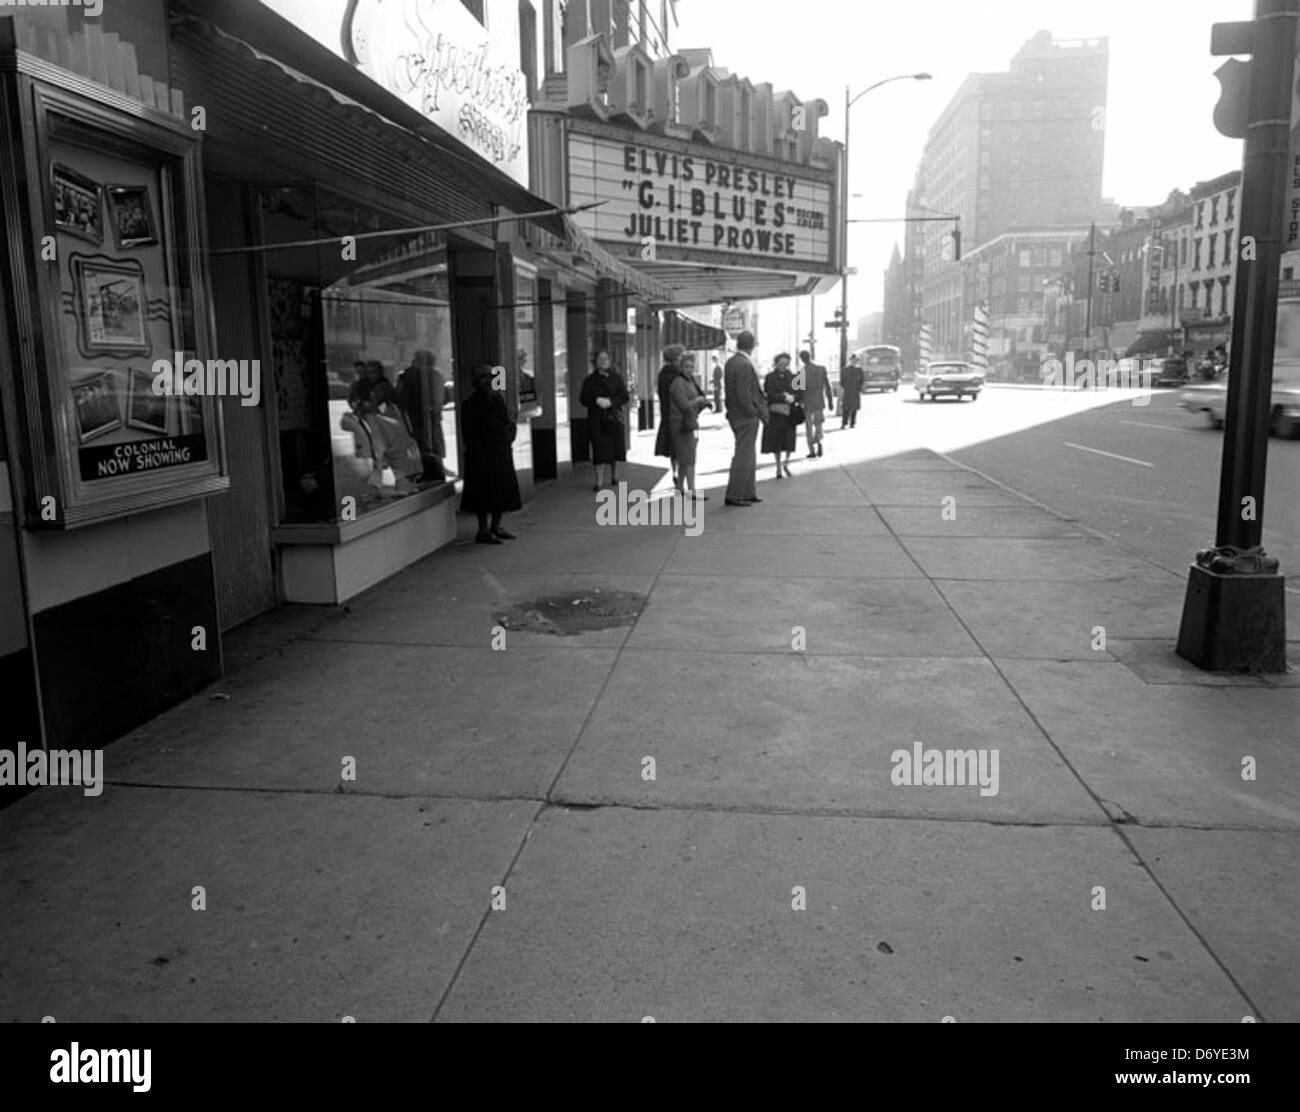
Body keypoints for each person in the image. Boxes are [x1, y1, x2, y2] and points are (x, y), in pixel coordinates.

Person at [460, 366, 521, 544]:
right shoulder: (470, 404)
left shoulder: (497, 399)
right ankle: (483, 529)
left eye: (490, 378)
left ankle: (496, 525)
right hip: (481, 454)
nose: (487, 382)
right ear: (476, 382)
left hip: (499, 451)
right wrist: (478, 451)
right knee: (483, 492)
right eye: (483, 378)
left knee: (500, 490)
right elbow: (469, 433)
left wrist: (509, 436)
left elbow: (507, 423)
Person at [724, 330, 768, 506]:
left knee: (748, 454)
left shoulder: (731, 362)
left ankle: (748, 492)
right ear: (752, 345)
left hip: (736, 414)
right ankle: (735, 494)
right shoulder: (744, 364)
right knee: (744, 455)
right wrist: (753, 412)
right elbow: (743, 393)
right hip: (745, 415)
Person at [579, 348, 630, 493]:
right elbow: (583, 399)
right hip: (597, 419)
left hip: (614, 417)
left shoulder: (617, 377)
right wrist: (596, 400)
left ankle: (615, 475)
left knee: (615, 448)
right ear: (595, 362)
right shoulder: (589, 380)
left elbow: (625, 396)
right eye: (600, 359)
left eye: (606, 359)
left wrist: (612, 401)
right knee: (599, 449)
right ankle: (599, 481)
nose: (603, 361)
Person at [669, 352, 713, 500]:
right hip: (681, 423)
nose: (689, 369)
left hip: (689, 422)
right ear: (681, 367)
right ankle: (692, 490)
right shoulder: (678, 383)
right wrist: (698, 401)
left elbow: (692, 403)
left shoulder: (690, 381)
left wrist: (702, 403)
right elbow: (684, 405)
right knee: (689, 458)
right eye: (687, 366)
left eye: (692, 367)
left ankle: (679, 487)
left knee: (685, 458)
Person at [396, 349, 448, 476]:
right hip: (431, 418)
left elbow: (400, 398)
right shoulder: (436, 375)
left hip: (413, 419)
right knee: (433, 446)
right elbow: (444, 397)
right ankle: (435, 471)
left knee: (418, 446)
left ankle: (420, 472)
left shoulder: (406, 376)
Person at [762, 353, 799, 479]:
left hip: (790, 413)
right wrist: (784, 397)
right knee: (777, 441)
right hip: (776, 413)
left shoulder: (795, 376)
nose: (783, 366)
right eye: (781, 364)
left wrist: (794, 397)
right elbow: (769, 394)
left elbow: (801, 393)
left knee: (789, 440)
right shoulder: (770, 377)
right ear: (776, 363)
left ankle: (786, 463)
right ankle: (778, 466)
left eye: (786, 364)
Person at [654, 344, 686, 488]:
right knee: (681, 446)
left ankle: (674, 471)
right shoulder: (679, 374)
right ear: (676, 359)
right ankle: (680, 476)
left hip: (666, 414)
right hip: (679, 414)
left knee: (672, 447)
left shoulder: (662, 374)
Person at [797, 350, 834, 458]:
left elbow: (799, 390)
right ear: (810, 356)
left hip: (807, 403)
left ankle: (812, 450)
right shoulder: (821, 369)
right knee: (819, 424)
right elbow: (828, 386)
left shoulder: (801, 372)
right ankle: (818, 440)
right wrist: (830, 400)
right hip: (819, 402)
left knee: (808, 427)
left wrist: (799, 402)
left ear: (802, 359)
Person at [840, 354, 865, 429]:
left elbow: (862, 381)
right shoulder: (858, 370)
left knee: (851, 408)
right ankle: (847, 423)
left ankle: (850, 423)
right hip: (852, 391)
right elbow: (862, 381)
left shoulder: (847, 370)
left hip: (851, 391)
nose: (855, 362)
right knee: (847, 408)